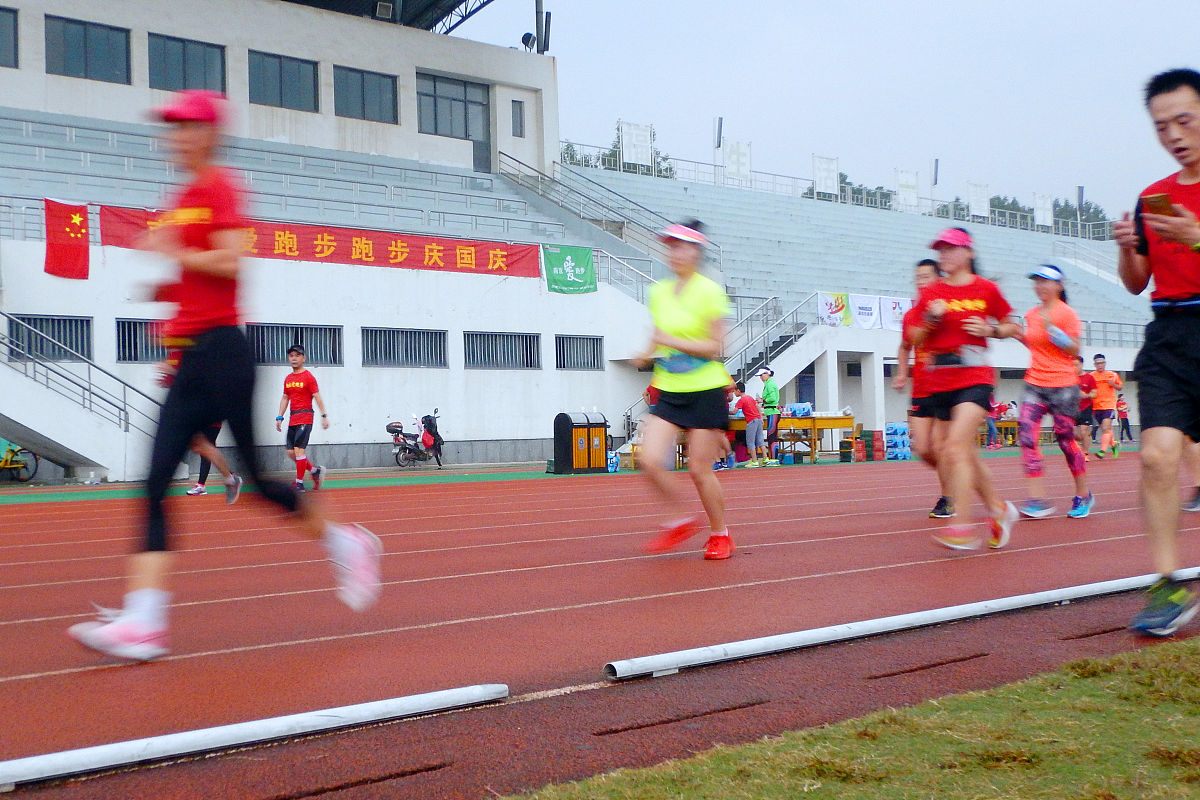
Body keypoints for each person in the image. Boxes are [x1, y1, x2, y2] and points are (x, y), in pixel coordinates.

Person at [68, 90, 381, 662]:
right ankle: (144, 623)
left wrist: (175, 255)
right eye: (172, 128)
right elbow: (195, 279)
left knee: (259, 482)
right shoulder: (182, 196)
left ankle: (346, 540)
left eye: (187, 127)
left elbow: (231, 261)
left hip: (225, 354)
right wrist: (164, 295)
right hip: (192, 357)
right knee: (155, 481)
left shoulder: (220, 187)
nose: (176, 137)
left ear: (210, 134)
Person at [1112, 67, 1200, 636]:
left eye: (1184, 120)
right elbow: (1136, 281)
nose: (1172, 134)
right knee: (1156, 457)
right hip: (1169, 335)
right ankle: (1167, 582)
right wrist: (1126, 249)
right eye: (1160, 125)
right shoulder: (1151, 197)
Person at [907, 227, 1019, 550]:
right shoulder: (932, 293)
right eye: (940, 250)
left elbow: (1013, 325)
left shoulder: (986, 289)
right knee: (961, 453)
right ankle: (998, 508)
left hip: (976, 378)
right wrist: (930, 320)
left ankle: (962, 527)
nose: (945, 255)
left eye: (951, 249)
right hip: (940, 381)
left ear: (968, 251)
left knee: (955, 448)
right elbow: (913, 338)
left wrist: (991, 329)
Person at [634, 219, 734, 560]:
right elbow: (659, 331)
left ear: (696, 252)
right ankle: (680, 520)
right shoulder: (659, 291)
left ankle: (721, 534)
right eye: (670, 247)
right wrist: (646, 353)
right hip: (670, 388)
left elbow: (715, 345)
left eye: (681, 247)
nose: (674, 253)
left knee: (698, 469)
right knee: (647, 459)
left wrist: (669, 340)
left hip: (705, 389)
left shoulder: (709, 291)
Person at [1013, 265, 1094, 519]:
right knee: (1026, 435)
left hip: (1063, 384)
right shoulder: (1031, 313)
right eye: (1036, 281)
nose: (1040, 286)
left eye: (1045, 281)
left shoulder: (1067, 313)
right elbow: (1036, 346)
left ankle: (1083, 495)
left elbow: (1073, 350)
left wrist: (1054, 331)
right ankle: (1037, 499)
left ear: (1059, 285)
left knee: (1065, 439)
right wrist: (1019, 336)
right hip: (1035, 382)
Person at [894, 258, 953, 518]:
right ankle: (957, 477)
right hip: (921, 389)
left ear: (938, 279)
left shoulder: (949, 308)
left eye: (926, 276)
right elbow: (905, 345)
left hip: (946, 387)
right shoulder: (911, 315)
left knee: (940, 446)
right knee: (923, 449)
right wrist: (901, 374)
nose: (921, 282)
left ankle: (948, 497)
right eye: (918, 277)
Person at [276, 344, 328, 491]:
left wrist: (324, 416)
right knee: (290, 452)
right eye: (291, 356)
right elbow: (285, 397)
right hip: (293, 418)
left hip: (305, 417)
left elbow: (316, 396)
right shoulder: (288, 379)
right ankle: (314, 471)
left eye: (297, 356)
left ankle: (299, 482)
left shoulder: (308, 377)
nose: (294, 358)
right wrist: (279, 416)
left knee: (299, 450)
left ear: (303, 358)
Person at [185, 421, 243, 504]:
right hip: (209, 421)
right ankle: (231, 477)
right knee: (206, 450)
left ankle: (230, 478)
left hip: (210, 421)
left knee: (205, 449)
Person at [1089, 353, 1123, 459]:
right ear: (1094, 364)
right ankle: (1114, 444)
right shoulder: (1091, 376)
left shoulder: (1112, 375)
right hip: (1096, 406)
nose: (1100, 365)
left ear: (1105, 363)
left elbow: (1120, 387)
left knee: (1105, 427)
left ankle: (1102, 451)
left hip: (1109, 405)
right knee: (1106, 430)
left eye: (1102, 363)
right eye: (1098, 363)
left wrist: (1113, 384)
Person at [733, 381, 767, 467]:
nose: (734, 392)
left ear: (739, 390)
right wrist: (761, 417)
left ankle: (754, 461)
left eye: (735, 391)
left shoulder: (741, 400)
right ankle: (765, 458)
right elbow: (758, 407)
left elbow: (734, 412)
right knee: (760, 440)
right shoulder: (750, 398)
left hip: (751, 421)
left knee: (750, 442)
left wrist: (726, 412)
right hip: (758, 420)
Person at [1074, 356, 1098, 462]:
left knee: (1084, 432)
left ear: (1081, 364)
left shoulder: (1089, 378)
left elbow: (1094, 393)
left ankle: (1085, 453)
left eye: (1076, 365)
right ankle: (1078, 448)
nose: (1074, 367)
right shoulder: (1069, 378)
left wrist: (1086, 395)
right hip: (1072, 408)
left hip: (1086, 407)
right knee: (1074, 434)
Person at [756, 367, 781, 465]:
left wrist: (763, 400)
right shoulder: (768, 384)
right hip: (771, 412)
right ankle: (772, 458)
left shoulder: (770, 384)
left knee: (771, 436)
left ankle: (774, 459)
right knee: (771, 436)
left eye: (762, 375)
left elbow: (772, 398)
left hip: (772, 412)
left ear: (767, 374)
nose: (761, 378)